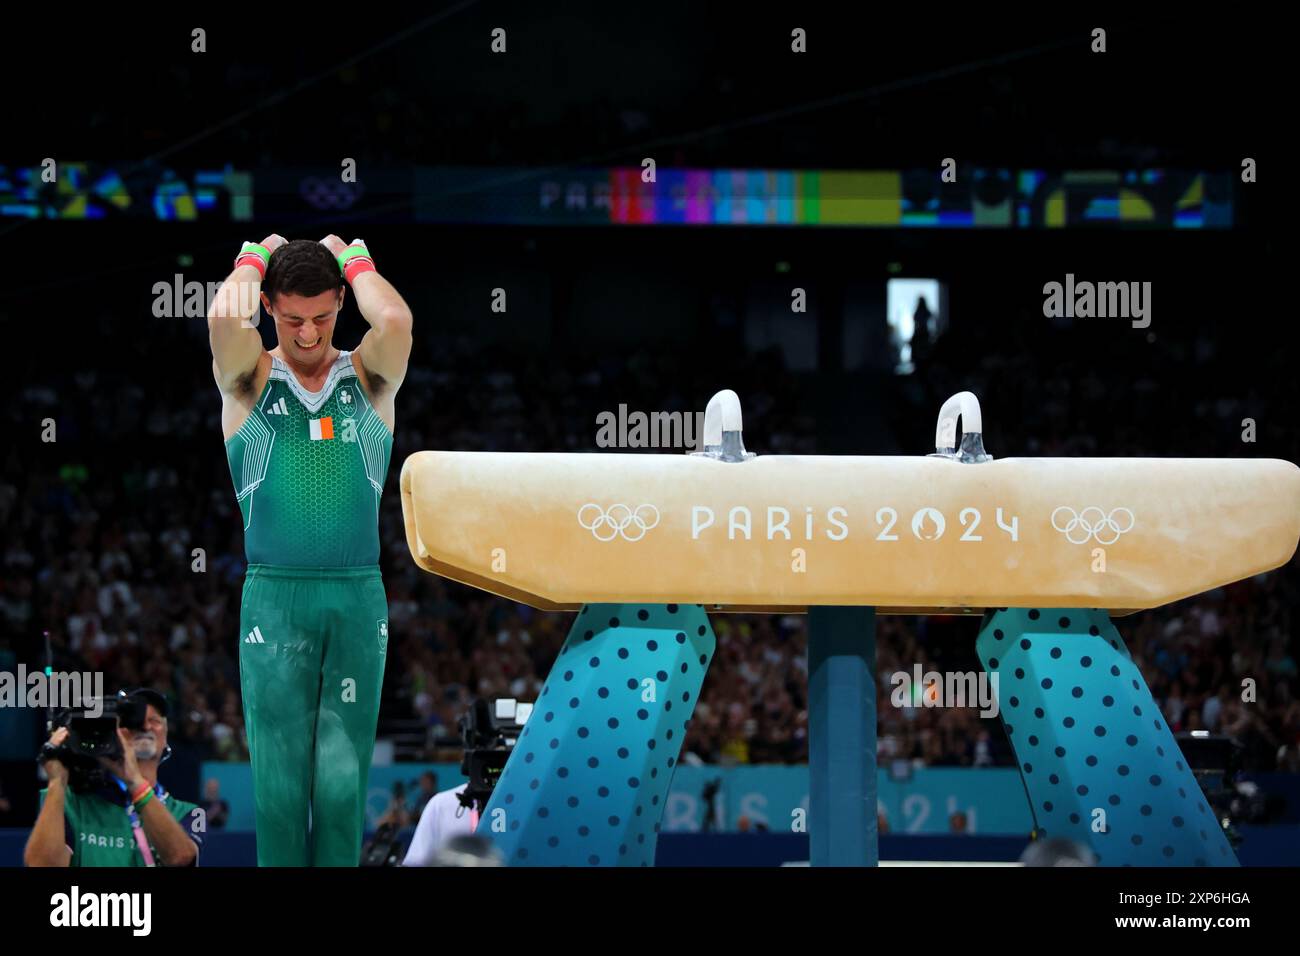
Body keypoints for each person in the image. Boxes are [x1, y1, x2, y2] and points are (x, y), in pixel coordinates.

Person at [208, 234, 414, 865]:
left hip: (356, 595)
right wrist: (253, 254)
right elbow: (222, 316)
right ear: (267, 305)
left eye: (323, 317)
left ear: (342, 306)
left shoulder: (370, 377)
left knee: (343, 781)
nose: (307, 333)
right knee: (278, 785)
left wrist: (355, 259)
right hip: (275, 599)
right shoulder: (249, 379)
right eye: (293, 318)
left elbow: (397, 319)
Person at [24, 689, 203, 867]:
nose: (146, 727)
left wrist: (134, 781)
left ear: (166, 739)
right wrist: (57, 782)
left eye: (155, 721)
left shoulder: (189, 813)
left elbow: (181, 859)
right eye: (135, 722)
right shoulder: (69, 802)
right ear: (114, 731)